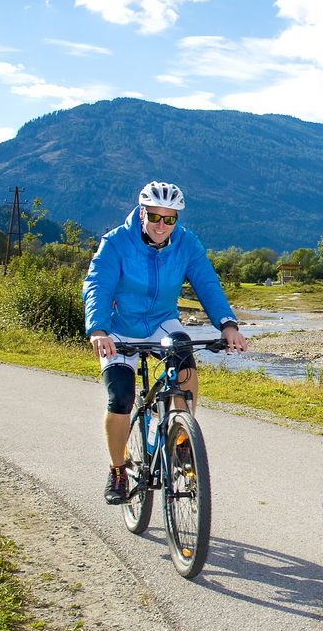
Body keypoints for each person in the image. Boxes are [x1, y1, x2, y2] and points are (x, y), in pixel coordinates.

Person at [84, 180, 247, 505]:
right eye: (155, 217)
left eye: (169, 219)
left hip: (161, 321)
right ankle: (117, 470)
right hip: (119, 326)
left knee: (184, 359)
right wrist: (98, 329)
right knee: (121, 398)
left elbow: (206, 282)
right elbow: (98, 284)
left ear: (177, 219)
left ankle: (182, 438)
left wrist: (228, 324)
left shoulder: (186, 243)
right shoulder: (116, 242)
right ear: (142, 213)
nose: (162, 226)